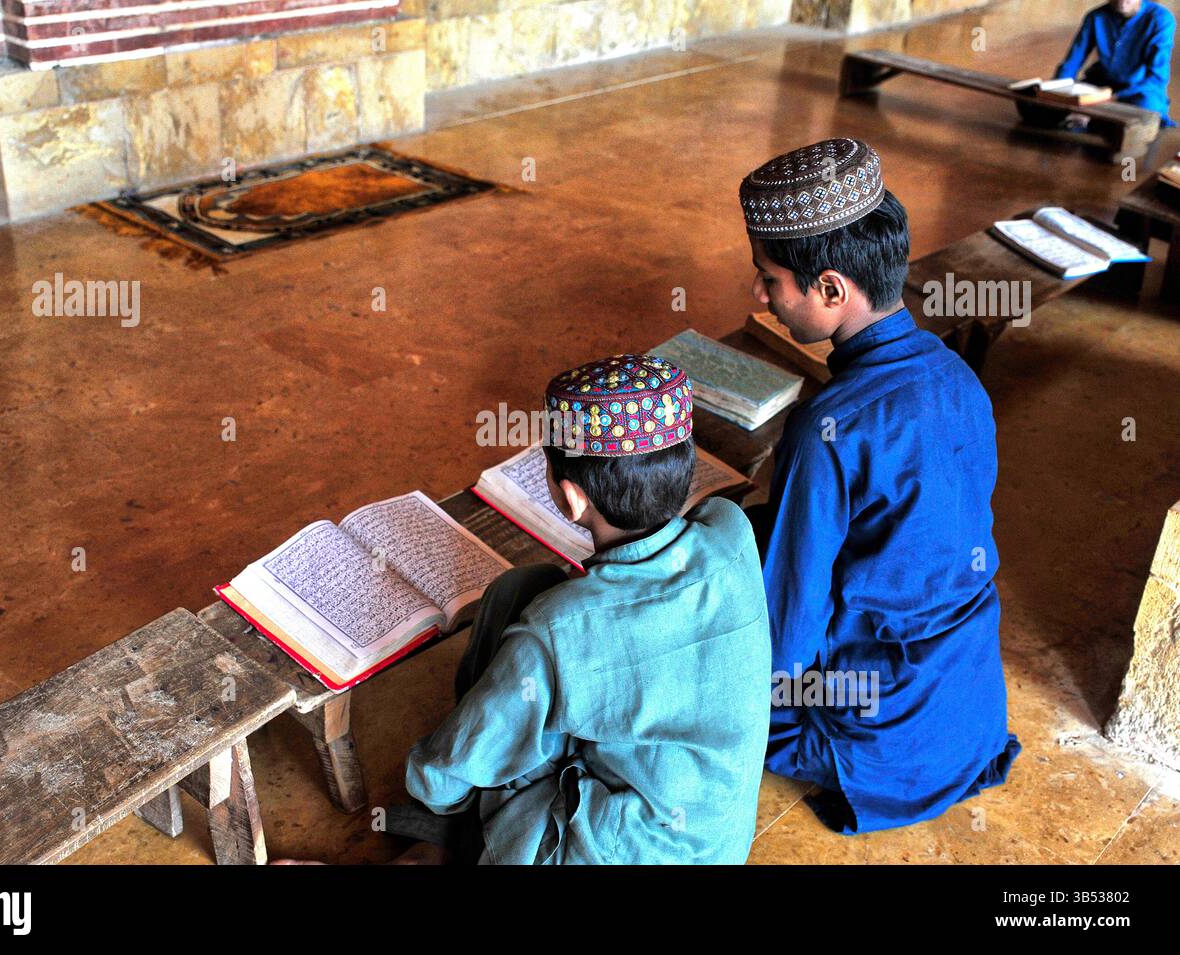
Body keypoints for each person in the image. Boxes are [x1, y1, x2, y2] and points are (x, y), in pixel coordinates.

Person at [739, 138, 1021, 834]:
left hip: (879, 727)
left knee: (723, 561)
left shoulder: (827, 428)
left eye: (769, 279)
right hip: (966, 700)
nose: (761, 296)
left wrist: (752, 705)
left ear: (831, 290)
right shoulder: (962, 379)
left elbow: (789, 635)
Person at [392, 356, 773, 863]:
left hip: (612, 847)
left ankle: (442, 844)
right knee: (525, 593)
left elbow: (452, 770)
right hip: (714, 839)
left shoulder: (557, 629)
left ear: (571, 498)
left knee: (502, 736)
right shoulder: (731, 530)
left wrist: (429, 782)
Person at [1021, 0, 1175, 129]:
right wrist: (1056, 92)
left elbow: (1157, 78)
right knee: (1036, 103)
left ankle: (1087, 120)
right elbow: (1072, 62)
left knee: (1148, 108)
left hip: (1136, 90)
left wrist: (1109, 99)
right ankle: (1090, 120)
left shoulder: (1160, 20)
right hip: (1100, 83)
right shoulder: (1096, 17)